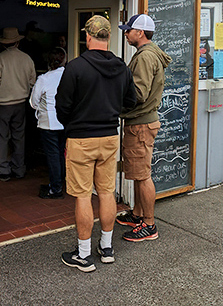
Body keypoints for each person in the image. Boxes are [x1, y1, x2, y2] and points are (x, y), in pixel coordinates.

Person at [56, 15, 136, 272]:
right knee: (106, 192)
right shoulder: (122, 67)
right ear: (108, 37)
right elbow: (131, 101)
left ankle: (83, 255)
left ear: (88, 37)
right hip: (110, 136)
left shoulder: (76, 67)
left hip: (81, 138)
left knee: (82, 195)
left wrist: (74, 122)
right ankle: (107, 247)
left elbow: (62, 108)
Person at [116, 14, 171, 242]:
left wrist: (113, 96)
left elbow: (138, 94)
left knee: (143, 175)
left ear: (140, 33)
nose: (126, 33)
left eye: (129, 30)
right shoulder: (148, 54)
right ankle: (137, 214)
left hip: (140, 123)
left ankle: (149, 225)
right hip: (142, 122)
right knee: (138, 174)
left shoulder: (145, 57)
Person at [0, 27, 37, 181]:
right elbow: (33, 81)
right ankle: (19, 169)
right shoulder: (27, 58)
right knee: (19, 137)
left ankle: (2, 170)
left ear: (3, 43)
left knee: (2, 137)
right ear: (17, 42)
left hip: (3, 105)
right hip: (21, 103)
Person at [30, 47, 67, 199]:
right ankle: (61, 182)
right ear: (64, 60)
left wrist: (43, 108)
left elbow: (33, 102)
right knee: (61, 153)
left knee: (53, 155)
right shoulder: (69, 76)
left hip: (49, 122)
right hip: (65, 121)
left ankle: (56, 188)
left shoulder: (44, 79)